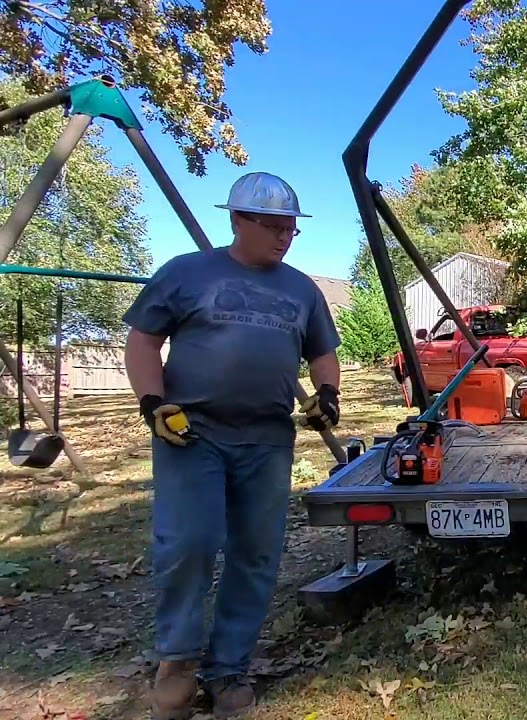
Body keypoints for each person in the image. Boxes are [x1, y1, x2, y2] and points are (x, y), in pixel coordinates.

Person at [123, 172, 342, 719]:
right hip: (191, 432)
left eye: (290, 229)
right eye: (272, 227)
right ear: (237, 220)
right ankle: (176, 665)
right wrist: (153, 404)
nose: (284, 237)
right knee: (189, 544)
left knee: (256, 553)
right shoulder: (187, 273)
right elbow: (143, 340)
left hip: (267, 438)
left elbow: (322, 352)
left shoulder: (301, 288)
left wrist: (328, 394)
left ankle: (229, 670)